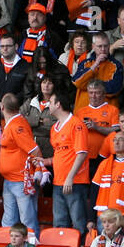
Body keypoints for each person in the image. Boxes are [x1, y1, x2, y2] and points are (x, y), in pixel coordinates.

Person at [48, 87, 90, 230]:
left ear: (58, 104)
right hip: (58, 181)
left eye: (50, 102)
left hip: (74, 182)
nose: (48, 105)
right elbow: (59, 154)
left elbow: (82, 153)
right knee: (59, 222)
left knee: (78, 221)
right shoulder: (54, 128)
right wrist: (45, 161)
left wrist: (70, 177)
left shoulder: (76, 124)